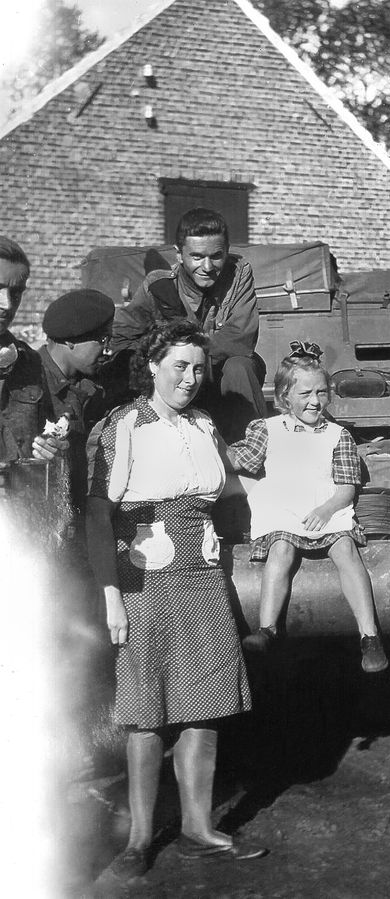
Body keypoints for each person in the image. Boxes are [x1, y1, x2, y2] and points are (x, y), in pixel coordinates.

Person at [86, 320, 266, 879]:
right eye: (179, 367)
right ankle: (139, 841)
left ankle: (197, 829)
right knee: (145, 715)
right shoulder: (124, 427)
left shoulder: (205, 425)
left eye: (198, 368)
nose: (190, 378)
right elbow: (96, 513)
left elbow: (231, 492)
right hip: (146, 577)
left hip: (205, 573)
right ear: (152, 369)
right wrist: (112, 594)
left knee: (204, 706)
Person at [228, 340, 388, 674]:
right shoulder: (266, 429)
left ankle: (369, 637)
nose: (315, 401)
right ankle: (267, 628)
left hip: (325, 507)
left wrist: (327, 510)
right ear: (285, 395)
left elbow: (346, 488)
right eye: (305, 394)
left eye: (322, 392)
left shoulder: (337, 435)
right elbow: (239, 460)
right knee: (281, 549)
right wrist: (210, 442)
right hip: (284, 510)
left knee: (346, 550)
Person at [111, 207, 266, 442]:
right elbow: (123, 336)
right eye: (196, 256)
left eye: (216, 256)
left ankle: (250, 450)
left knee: (240, 367)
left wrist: (191, 352)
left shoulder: (239, 274)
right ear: (179, 254)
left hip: (224, 375)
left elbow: (240, 338)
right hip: (178, 379)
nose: (207, 267)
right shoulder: (159, 286)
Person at [39, 288, 115, 515]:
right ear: (71, 339)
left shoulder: (93, 386)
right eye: (102, 339)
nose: (108, 349)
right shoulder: (28, 383)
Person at [0, 237, 63, 463]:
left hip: (18, 496)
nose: (6, 305)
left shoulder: (29, 361)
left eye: (15, 293)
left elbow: (49, 432)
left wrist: (52, 448)